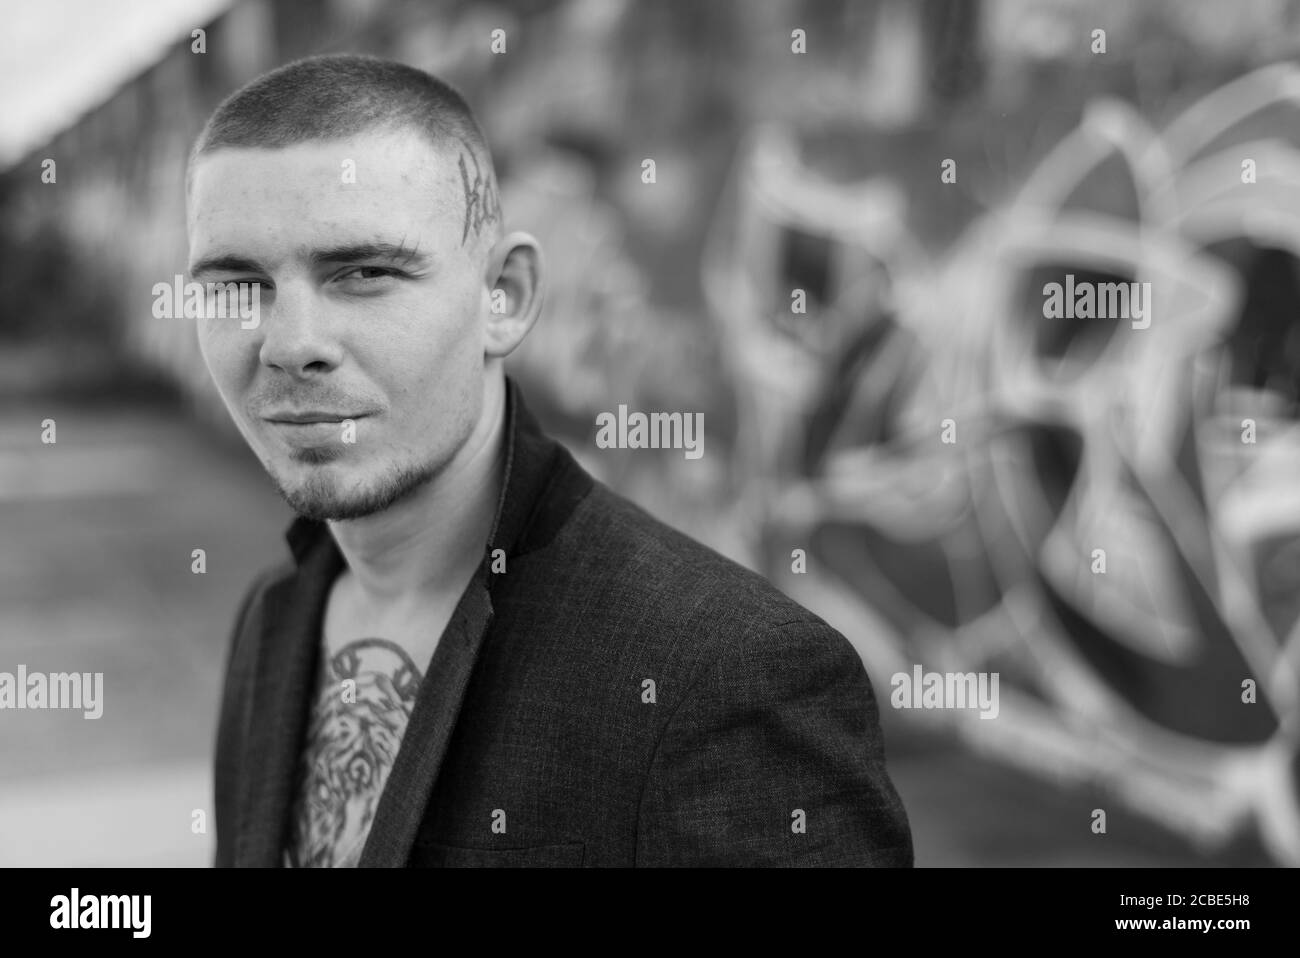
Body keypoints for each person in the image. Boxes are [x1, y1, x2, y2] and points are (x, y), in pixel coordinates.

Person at [188, 53, 913, 867]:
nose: (291, 346)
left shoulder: (726, 677)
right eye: (237, 286)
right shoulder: (276, 614)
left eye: (363, 273)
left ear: (507, 297)